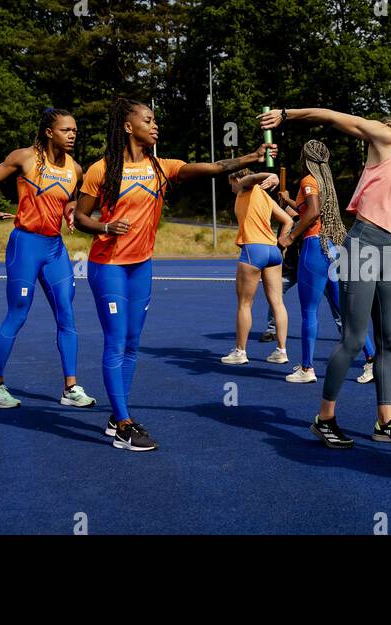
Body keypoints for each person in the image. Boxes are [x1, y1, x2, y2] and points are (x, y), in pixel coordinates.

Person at [74, 97, 275, 452]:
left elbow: (212, 168)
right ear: (127, 126)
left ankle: (116, 415)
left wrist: (250, 158)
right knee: (116, 341)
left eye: (155, 120)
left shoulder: (161, 166)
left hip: (142, 265)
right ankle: (123, 424)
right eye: (148, 120)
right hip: (108, 267)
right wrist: (105, 226)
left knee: (132, 344)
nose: (155, 126)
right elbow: (80, 218)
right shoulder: (100, 169)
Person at [259, 93, 391, 449]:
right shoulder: (386, 141)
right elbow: (331, 114)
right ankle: (325, 418)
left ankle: (386, 421)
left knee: (389, 340)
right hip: (362, 244)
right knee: (353, 337)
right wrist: (286, 114)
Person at [0, 107, 96, 409]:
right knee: (18, 312)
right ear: (49, 132)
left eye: (75, 131)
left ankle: (71, 388)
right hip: (25, 245)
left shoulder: (75, 169)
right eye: (66, 130)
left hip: (55, 249)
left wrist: (69, 210)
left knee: (66, 314)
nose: (72, 135)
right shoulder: (25, 157)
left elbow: (72, 200)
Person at [279, 141, 377, 385]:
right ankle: (372, 361)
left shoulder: (308, 180)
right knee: (346, 312)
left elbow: (312, 212)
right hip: (333, 248)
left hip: (314, 248)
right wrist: (290, 201)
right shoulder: (324, 181)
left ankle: (307, 368)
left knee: (308, 312)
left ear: (305, 157)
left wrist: (290, 237)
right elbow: (312, 209)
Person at [219, 169, 293, 365]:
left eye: (231, 183)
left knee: (245, 304)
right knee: (277, 303)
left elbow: (250, 179)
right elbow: (288, 220)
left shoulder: (245, 188)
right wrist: (282, 243)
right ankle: (281, 351)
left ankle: (240, 351)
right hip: (272, 250)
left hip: (253, 249)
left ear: (237, 179)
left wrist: (268, 176)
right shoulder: (265, 197)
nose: (232, 188)